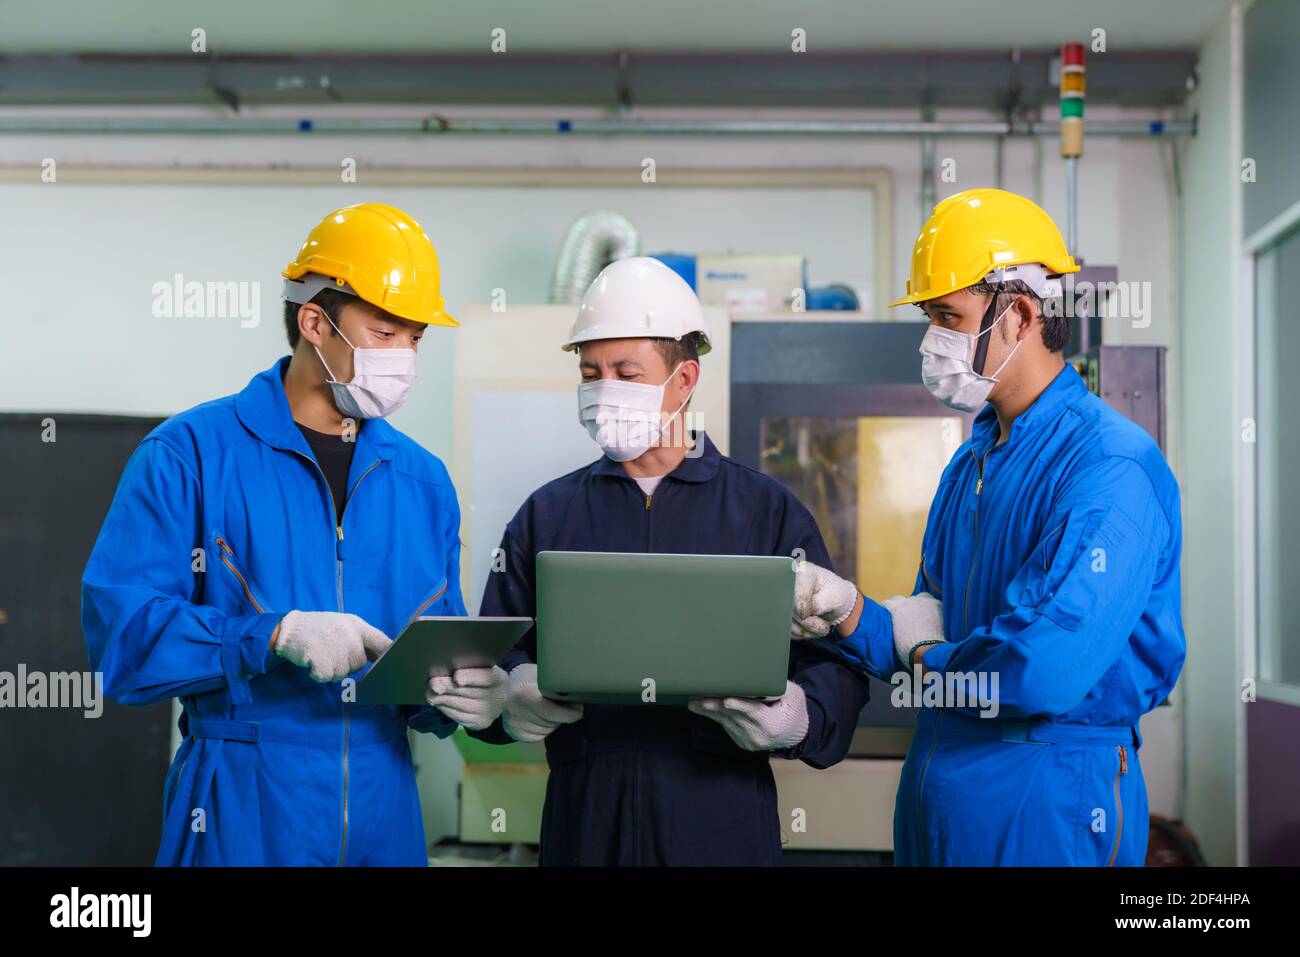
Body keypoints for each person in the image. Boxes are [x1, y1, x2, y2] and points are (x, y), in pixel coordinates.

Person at [81, 202, 508, 866]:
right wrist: (271, 636)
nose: (404, 357)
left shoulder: (423, 483)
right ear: (315, 320)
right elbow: (122, 641)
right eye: (386, 331)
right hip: (240, 806)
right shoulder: (190, 455)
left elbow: (431, 663)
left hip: (384, 807)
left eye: (416, 338)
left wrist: (463, 699)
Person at [792, 188, 1186, 866]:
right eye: (929, 318)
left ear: (1021, 314)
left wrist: (922, 661)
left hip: (1049, 804)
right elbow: (931, 626)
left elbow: (1039, 668)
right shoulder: (974, 461)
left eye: (949, 316)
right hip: (941, 794)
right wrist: (848, 609)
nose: (931, 341)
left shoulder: (1109, 466)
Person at [467, 257, 871, 866]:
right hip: (586, 826)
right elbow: (491, 668)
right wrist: (507, 701)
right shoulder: (545, 516)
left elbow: (837, 671)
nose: (604, 390)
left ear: (684, 380)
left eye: (626, 373)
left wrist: (798, 718)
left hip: (720, 825)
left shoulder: (765, 513)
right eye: (590, 372)